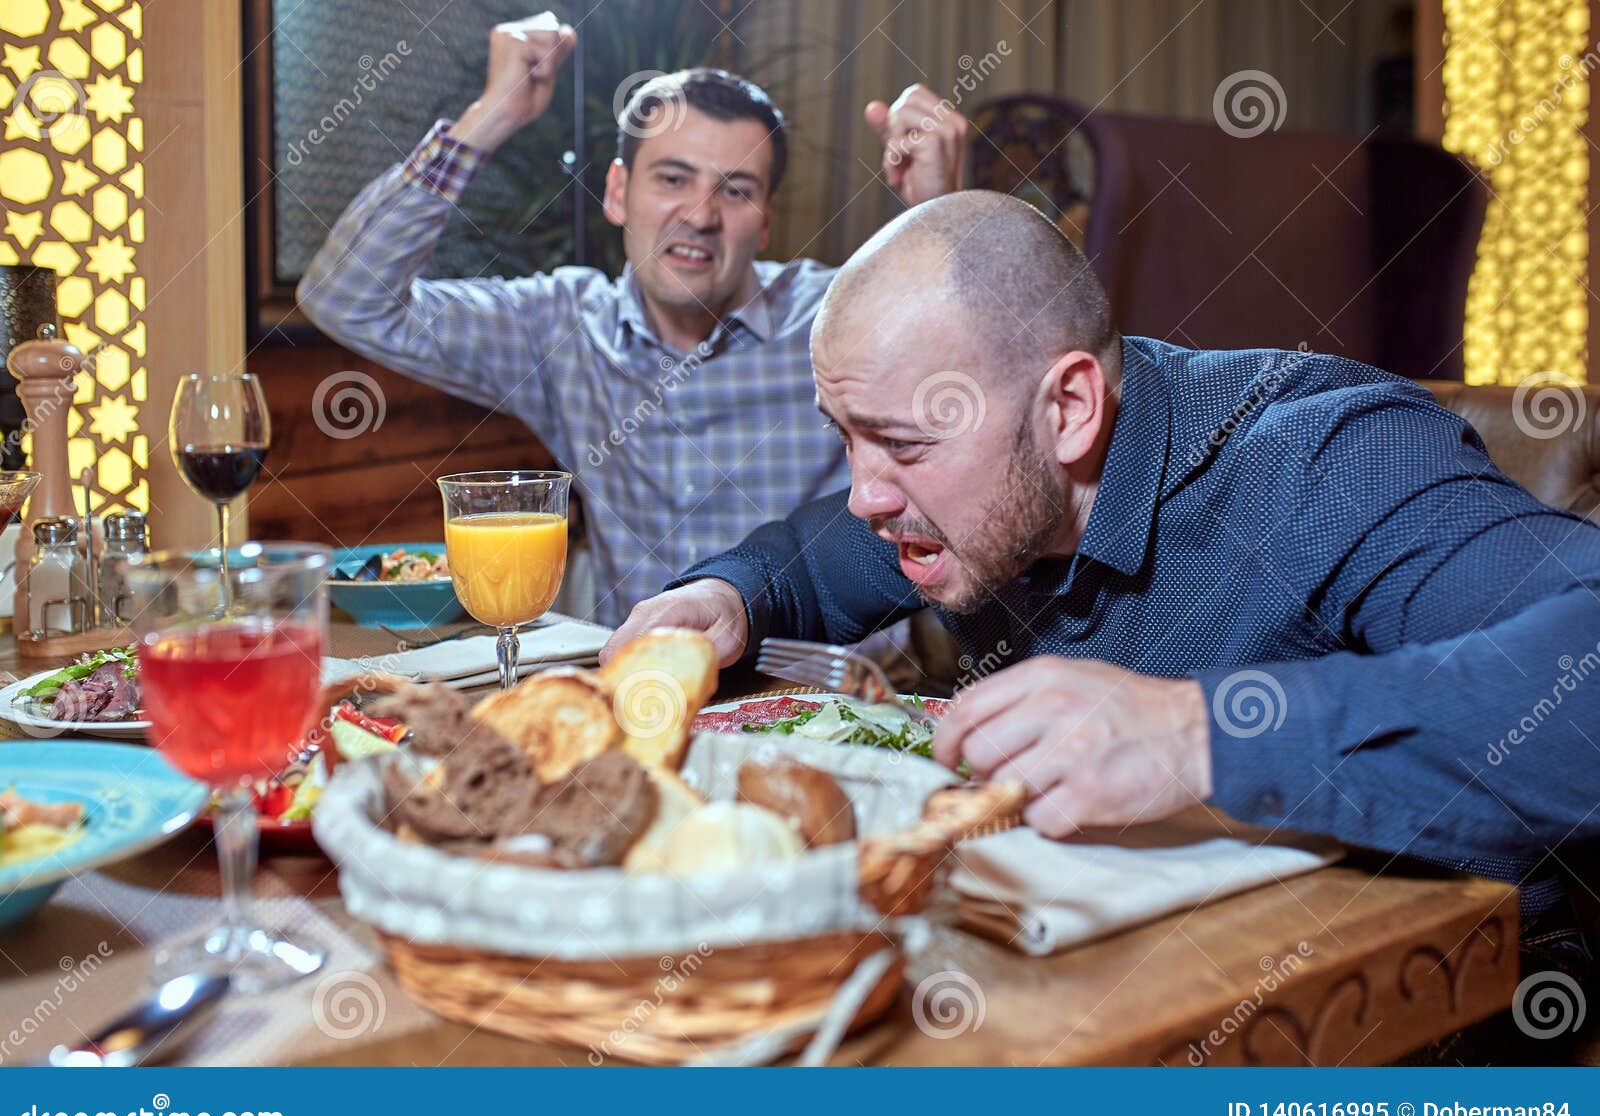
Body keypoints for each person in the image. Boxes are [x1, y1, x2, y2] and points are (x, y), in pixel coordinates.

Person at [606, 188, 1600, 930]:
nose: (865, 489)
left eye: (903, 445)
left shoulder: (1327, 457)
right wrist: (726, 593)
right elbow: (807, 559)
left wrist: (1194, 737)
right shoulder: (964, 504)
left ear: (1069, 408)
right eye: (848, 436)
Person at [296, 12, 967, 626]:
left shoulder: (841, 315)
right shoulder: (559, 328)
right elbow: (345, 297)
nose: (700, 214)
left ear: (763, 222)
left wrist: (938, 214)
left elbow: (985, 377)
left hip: (828, 704)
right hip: (642, 697)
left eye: (734, 190)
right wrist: (488, 118)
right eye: (672, 178)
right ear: (617, 192)